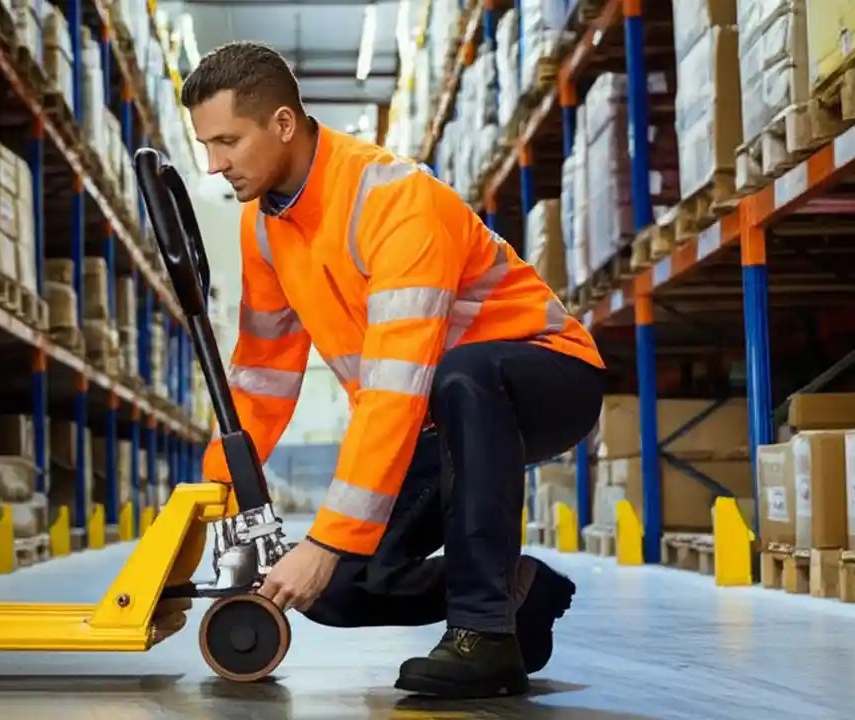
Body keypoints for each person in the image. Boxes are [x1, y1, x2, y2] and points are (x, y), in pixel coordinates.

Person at [180, 41, 605, 699]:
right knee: (334, 587)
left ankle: (481, 635)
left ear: (283, 124)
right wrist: (212, 494)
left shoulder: (394, 199)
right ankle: (517, 591)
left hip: (548, 378)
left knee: (460, 376)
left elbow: (398, 386)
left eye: (227, 141)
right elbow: (262, 375)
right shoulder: (263, 229)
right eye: (206, 145)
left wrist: (326, 538)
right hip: (435, 417)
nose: (214, 165)